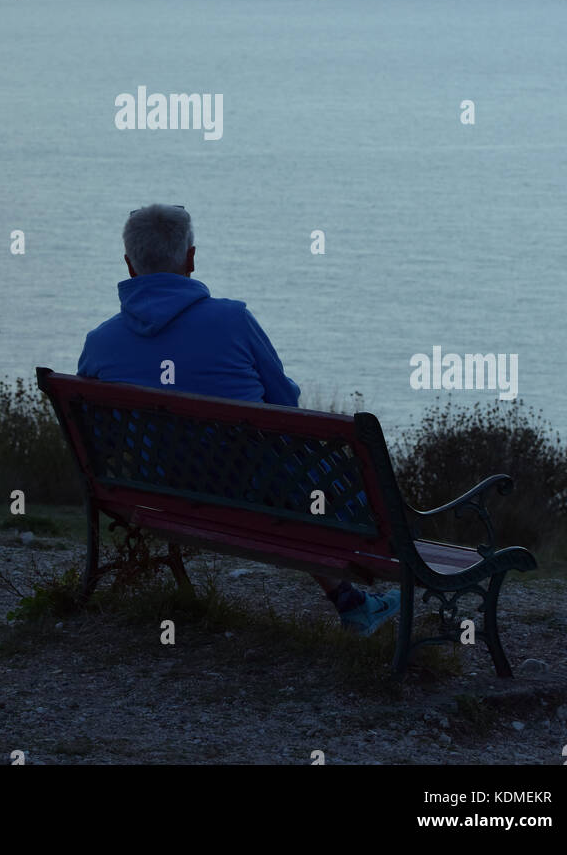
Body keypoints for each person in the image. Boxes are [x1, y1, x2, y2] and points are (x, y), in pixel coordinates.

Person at [78, 203, 400, 637]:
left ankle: (351, 602)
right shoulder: (232, 321)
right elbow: (286, 403)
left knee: (272, 470)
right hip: (249, 495)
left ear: (129, 265)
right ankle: (357, 600)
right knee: (290, 469)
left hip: (155, 492)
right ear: (191, 258)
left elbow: (97, 435)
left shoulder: (101, 343)